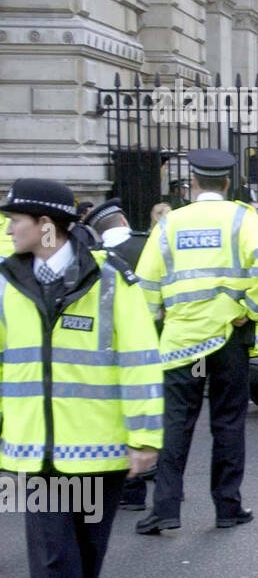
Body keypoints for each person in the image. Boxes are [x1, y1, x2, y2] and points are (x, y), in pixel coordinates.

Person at [0, 179, 163, 578]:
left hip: (100, 453)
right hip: (37, 454)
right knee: (54, 565)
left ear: (46, 227)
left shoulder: (112, 281)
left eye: (17, 221)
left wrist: (145, 437)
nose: (9, 230)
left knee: (83, 565)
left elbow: (140, 360)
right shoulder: (5, 282)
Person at [134, 150, 258, 535]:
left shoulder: (170, 223)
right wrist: (251, 309)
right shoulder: (242, 218)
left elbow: (146, 282)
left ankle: (165, 509)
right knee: (228, 422)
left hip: (181, 342)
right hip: (229, 337)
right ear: (227, 183)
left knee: (176, 424)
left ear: (193, 184)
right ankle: (228, 507)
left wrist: (151, 328)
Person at [85, 199, 155, 510]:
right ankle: (165, 483)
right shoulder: (148, 244)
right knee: (163, 412)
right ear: (124, 221)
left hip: (112, 350)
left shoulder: (94, 259)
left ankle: (131, 488)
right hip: (162, 343)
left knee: (123, 412)